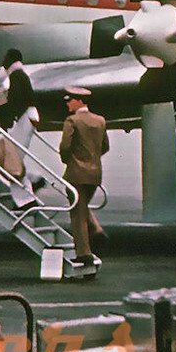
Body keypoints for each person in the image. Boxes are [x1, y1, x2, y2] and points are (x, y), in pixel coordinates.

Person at [58, 87, 108, 267]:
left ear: (79, 101)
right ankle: (96, 229)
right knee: (83, 205)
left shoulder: (72, 120)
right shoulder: (100, 120)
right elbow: (105, 146)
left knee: (77, 214)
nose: (67, 103)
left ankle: (84, 252)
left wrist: (69, 161)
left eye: (70, 100)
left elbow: (65, 147)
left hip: (76, 173)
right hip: (95, 173)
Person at [0, 50, 46, 203]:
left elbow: (14, 101)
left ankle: (26, 198)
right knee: (12, 157)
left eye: (5, 57)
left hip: (24, 119)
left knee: (11, 159)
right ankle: (33, 179)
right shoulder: (18, 75)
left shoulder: (16, 76)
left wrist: (7, 120)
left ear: (11, 59)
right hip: (27, 118)